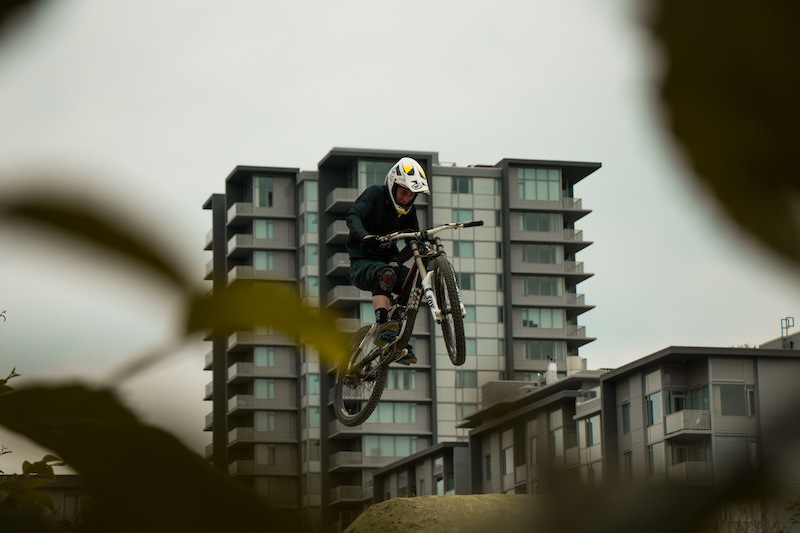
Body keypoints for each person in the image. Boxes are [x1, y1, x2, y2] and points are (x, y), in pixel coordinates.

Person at [345, 157, 430, 365]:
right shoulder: (375, 194)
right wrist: (364, 236)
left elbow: (412, 243)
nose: (406, 199)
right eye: (403, 193)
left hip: (387, 263)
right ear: (393, 186)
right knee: (386, 274)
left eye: (411, 196)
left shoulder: (410, 211)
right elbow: (353, 216)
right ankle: (382, 323)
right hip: (362, 263)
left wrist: (397, 259)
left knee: (413, 285)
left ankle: (398, 342)